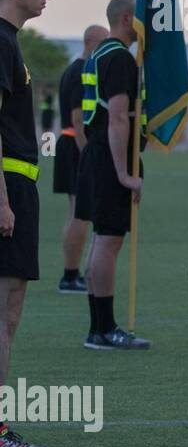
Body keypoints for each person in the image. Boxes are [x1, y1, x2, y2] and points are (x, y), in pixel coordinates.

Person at [0, 0, 53, 447]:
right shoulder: (0, 41)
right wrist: (3, 201)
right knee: (4, 313)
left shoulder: (10, 42)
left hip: (19, 188)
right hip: (9, 191)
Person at [77, 0, 152, 350]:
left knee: (101, 240)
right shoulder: (120, 57)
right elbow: (119, 118)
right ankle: (105, 329)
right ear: (126, 18)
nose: (147, 26)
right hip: (109, 159)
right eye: (142, 18)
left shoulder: (97, 55)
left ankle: (98, 328)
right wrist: (124, 173)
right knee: (109, 241)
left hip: (94, 155)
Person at [54, 24, 106, 294]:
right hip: (75, 145)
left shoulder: (76, 69)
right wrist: (90, 156)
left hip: (71, 145)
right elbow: (78, 120)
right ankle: (70, 275)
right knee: (79, 213)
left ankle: (72, 274)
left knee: (79, 213)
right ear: (91, 42)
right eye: (104, 43)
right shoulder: (80, 72)